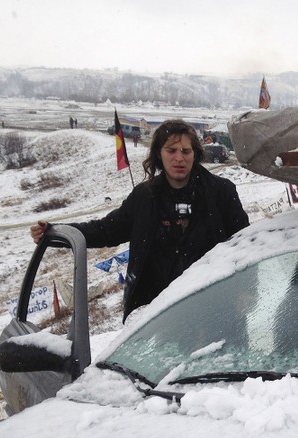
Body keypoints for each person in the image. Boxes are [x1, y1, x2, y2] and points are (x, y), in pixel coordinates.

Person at [31, 119, 249, 321]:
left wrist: (244, 294)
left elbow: (245, 246)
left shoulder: (220, 193)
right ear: (158, 154)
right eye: (171, 150)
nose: (179, 158)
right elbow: (105, 230)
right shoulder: (145, 198)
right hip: (154, 315)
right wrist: (56, 233)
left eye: (186, 151)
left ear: (195, 153)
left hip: (214, 311)